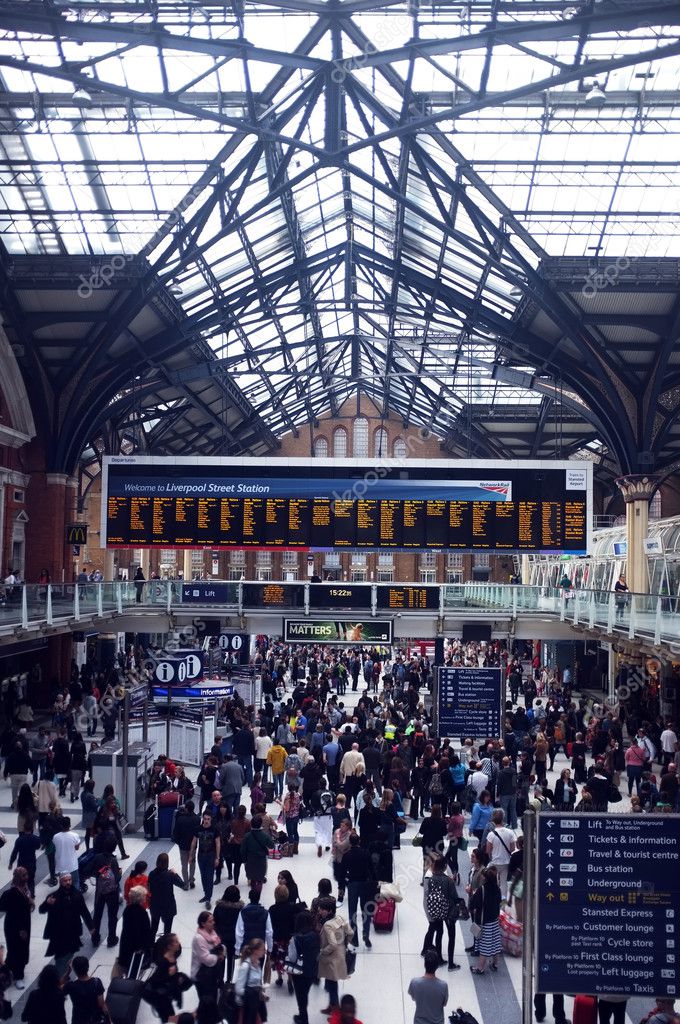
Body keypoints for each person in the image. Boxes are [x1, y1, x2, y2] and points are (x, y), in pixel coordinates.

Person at [39, 873, 94, 978]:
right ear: (61, 882)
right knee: (61, 957)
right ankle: (60, 978)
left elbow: (84, 911)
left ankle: (64, 973)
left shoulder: (77, 894)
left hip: (73, 932)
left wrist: (91, 926)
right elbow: (41, 910)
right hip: (59, 934)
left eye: (69, 880)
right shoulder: (53, 896)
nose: (68, 882)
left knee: (69, 954)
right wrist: (47, 903)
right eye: (65, 880)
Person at [422, 856, 460, 972]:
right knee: (451, 936)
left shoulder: (432, 879)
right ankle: (451, 964)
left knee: (439, 933)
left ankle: (439, 959)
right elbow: (454, 897)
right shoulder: (448, 880)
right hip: (449, 912)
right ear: (444, 866)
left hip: (437, 910)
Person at [317, 896, 353, 1015]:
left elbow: (332, 944)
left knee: (332, 986)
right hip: (340, 957)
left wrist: (322, 951)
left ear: (329, 911)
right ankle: (331, 1006)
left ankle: (335, 1012)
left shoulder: (327, 925)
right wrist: (344, 944)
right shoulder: (340, 918)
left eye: (322, 909)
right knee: (331, 983)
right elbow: (351, 932)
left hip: (330, 959)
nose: (319, 911)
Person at [0, 867, 32, 989]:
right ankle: (18, 976)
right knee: (17, 950)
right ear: (18, 877)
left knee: (19, 950)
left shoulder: (25, 888)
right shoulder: (12, 893)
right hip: (14, 927)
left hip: (25, 925)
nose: (26, 877)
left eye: (26, 874)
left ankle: (6, 968)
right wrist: (20, 930)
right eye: (23, 875)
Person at [190, 910, 225, 1019]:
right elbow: (206, 959)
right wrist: (218, 956)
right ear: (203, 923)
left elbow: (221, 947)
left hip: (211, 975)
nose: (213, 923)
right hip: (202, 976)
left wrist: (222, 951)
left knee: (211, 1001)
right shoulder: (199, 938)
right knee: (206, 1002)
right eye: (210, 921)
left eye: (213, 920)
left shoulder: (213, 934)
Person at [288, 910, 320, 1024]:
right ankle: (302, 1015)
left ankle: (303, 1018)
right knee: (304, 993)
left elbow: (292, 957)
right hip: (313, 971)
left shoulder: (296, 938)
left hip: (299, 973)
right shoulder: (316, 935)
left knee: (301, 997)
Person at [470, 866, 503, 975]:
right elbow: (499, 901)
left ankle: (480, 968)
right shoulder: (497, 888)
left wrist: (472, 894)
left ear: (485, 878)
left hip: (485, 922)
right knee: (495, 942)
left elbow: (474, 904)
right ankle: (495, 964)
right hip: (495, 920)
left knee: (485, 945)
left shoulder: (482, 889)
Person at [90, 836, 122, 948]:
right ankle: (111, 939)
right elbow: (117, 878)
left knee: (97, 915)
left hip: (100, 891)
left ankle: (95, 938)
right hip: (112, 892)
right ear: (114, 847)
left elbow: (89, 870)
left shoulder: (97, 857)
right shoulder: (113, 860)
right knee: (112, 916)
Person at [148, 852, 185, 939]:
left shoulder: (151, 874)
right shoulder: (170, 875)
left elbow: (149, 888)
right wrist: (175, 873)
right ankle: (164, 946)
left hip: (155, 905)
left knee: (153, 927)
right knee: (167, 930)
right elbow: (183, 885)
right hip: (168, 906)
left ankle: (150, 946)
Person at [408, 949, 449, 1024]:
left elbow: (414, 998)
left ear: (424, 965)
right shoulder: (443, 986)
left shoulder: (414, 982)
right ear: (437, 966)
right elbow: (444, 1004)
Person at [190, 810, 221, 911]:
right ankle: (206, 894)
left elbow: (218, 843)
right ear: (202, 818)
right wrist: (191, 856)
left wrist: (217, 857)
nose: (206, 821)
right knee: (203, 876)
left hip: (211, 855)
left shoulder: (215, 829)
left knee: (210, 876)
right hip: (201, 855)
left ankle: (208, 897)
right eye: (205, 818)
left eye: (208, 819)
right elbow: (194, 842)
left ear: (211, 819)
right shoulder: (197, 829)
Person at [119, 884, 152, 975]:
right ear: (140, 899)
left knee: (126, 968)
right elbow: (141, 932)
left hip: (126, 945)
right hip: (136, 949)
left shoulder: (127, 910)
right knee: (134, 971)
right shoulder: (142, 913)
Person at [213, 884, 243, 983]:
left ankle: (220, 979)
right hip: (233, 939)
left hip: (221, 937)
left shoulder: (219, 907)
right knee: (231, 959)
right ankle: (229, 979)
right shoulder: (240, 909)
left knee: (221, 959)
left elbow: (214, 921)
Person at [269, 884, 296, 989]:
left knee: (277, 959)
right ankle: (290, 980)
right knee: (288, 959)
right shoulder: (292, 908)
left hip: (277, 938)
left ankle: (280, 978)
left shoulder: (272, 909)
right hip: (289, 939)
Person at [63, 956, 106, 1024]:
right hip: (94, 1020)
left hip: (78, 1020)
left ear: (74, 970)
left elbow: (58, 987)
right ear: (88, 967)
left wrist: (68, 972)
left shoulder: (71, 986)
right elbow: (101, 1004)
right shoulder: (97, 982)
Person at [485, 808, 516, 900]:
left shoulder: (491, 834)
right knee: (503, 882)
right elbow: (513, 848)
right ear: (503, 818)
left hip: (494, 862)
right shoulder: (510, 832)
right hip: (506, 861)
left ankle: (492, 898)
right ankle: (503, 901)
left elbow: (488, 851)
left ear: (493, 819)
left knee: (490, 880)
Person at [234, 938, 267, 1024]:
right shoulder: (245, 966)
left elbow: (257, 983)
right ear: (255, 951)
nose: (265, 951)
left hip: (255, 1003)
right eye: (263, 949)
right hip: (246, 1006)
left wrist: (261, 992)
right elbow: (238, 989)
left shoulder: (258, 963)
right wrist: (253, 992)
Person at [240, 814, 275, 892]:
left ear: (251, 824)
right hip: (261, 861)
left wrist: (244, 860)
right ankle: (257, 894)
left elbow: (242, 850)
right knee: (260, 879)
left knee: (252, 879)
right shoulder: (265, 836)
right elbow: (272, 846)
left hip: (250, 860)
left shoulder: (247, 836)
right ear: (261, 824)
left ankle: (253, 894)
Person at [234, 888, 273, 955]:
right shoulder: (265, 913)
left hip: (246, 948)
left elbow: (239, 932)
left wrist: (237, 950)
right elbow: (269, 932)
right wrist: (269, 948)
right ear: (259, 898)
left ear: (249, 897)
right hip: (259, 949)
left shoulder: (243, 912)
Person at [172, 800, 200, 889]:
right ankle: (191, 880)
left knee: (184, 865)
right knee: (192, 863)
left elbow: (175, 832)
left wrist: (178, 842)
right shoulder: (197, 819)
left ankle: (185, 883)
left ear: (186, 809)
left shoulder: (180, 819)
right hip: (193, 846)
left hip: (183, 845)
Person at [9, 821, 41, 896]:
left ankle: (20, 895)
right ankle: (31, 895)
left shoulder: (19, 840)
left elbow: (15, 852)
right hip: (31, 862)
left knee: (19, 879)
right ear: (32, 829)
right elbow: (38, 847)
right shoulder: (35, 839)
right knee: (31, 880)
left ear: (24, 828)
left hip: (21, 862)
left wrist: (11, 862)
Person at [282, 782, 302, 855]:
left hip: (289, 817)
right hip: (296, 816)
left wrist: (279, 803)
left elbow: (286, 809)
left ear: (288, 788)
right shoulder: (298, 795)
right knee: (295, 831)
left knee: (290, 833)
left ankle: (290, 851)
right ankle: (296, 849)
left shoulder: (288, 796)